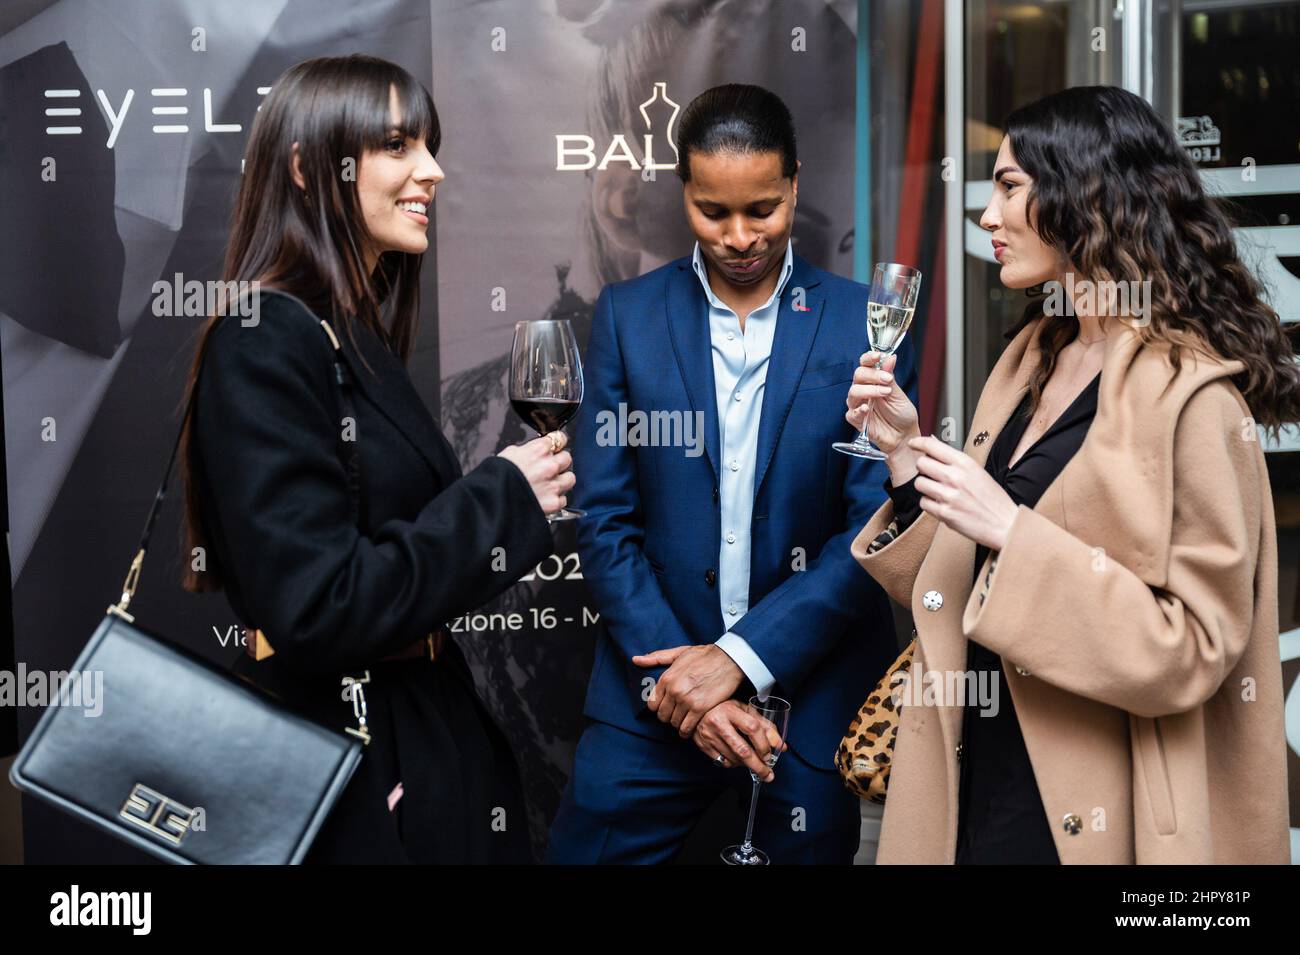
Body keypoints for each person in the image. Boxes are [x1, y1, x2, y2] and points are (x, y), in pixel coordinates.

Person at [847, 85, 1296, 864]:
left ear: (1087, 194)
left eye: (1011, 186)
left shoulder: (1195, 396)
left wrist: (1013, 533)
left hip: (1086, 813)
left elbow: (1191, 647)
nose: (987, 216)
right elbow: (961, 584)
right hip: (971, 774)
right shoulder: (1028, 359)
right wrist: (904, 457)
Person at [176, 55, 575, 863]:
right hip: (352, 756)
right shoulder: (265, 338)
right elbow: (318, 607)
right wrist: (502, 495)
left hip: (415, 729)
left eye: (428, 144)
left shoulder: (346, 334)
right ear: (306, 165)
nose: (431, 170)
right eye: (397, 145)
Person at [546, 84, 917, 864]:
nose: (740, 235)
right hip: (648, 706)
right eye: (713, 212)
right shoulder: (627, 316)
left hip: (806, 711)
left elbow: (869, 533)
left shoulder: (865, 323)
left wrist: (739, 659)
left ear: (795, 184)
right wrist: (688, 687)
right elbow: (606, 520)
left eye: (763, 209)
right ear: (683, 190)